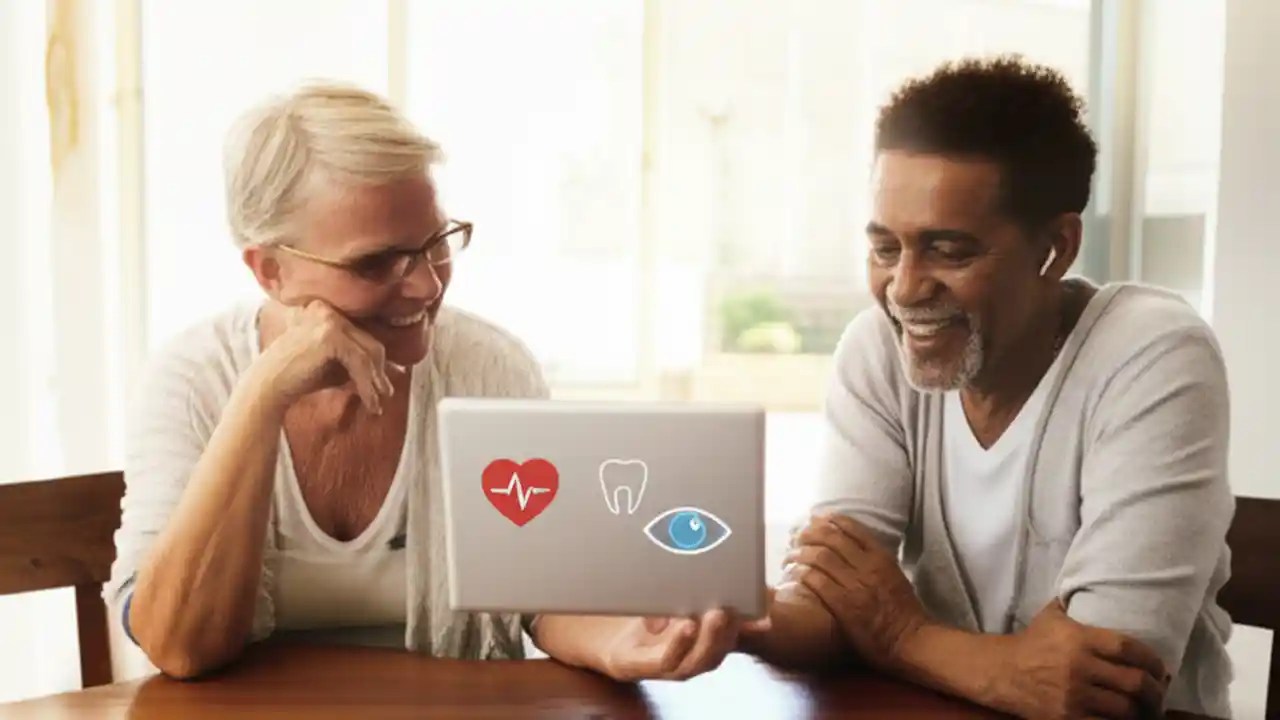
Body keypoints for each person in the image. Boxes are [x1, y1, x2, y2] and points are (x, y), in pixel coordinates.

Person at [105, 81, 759, 681]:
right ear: (270, 271)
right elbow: (181, 644)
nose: (426, 284)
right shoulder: (191, 380)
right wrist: (261, 396)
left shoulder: (487, 368)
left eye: (435, 242)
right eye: (377, 262)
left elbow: (540, 597)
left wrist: (619, 645)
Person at [739, 56, 1235, 720]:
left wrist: (899, 634)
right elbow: (835, 599)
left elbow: (1101, 684)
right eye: (886, 248)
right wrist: (736, 613)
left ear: (1055, 248)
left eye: (948, 251)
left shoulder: (1155, 355)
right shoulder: (877, 347)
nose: (905, 289)